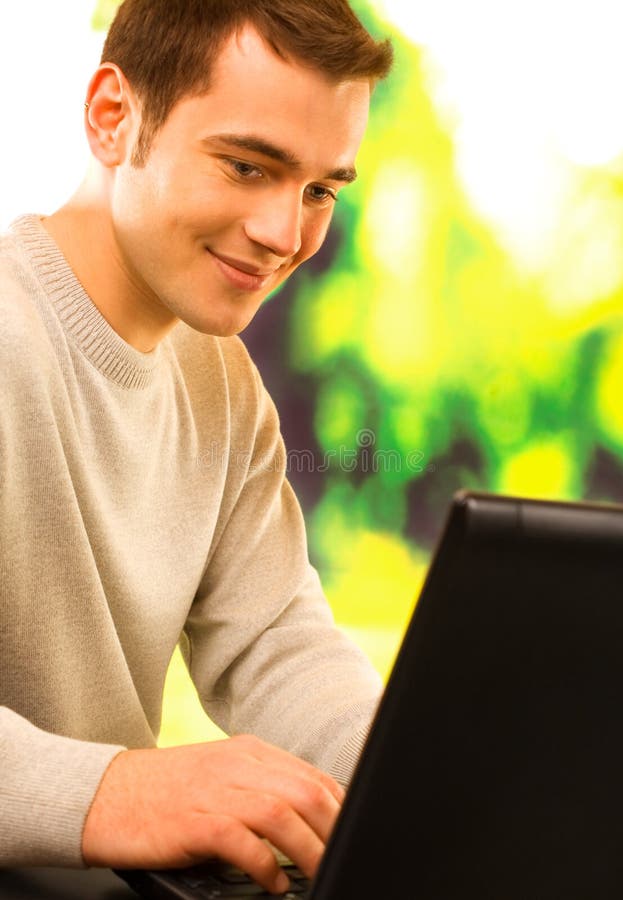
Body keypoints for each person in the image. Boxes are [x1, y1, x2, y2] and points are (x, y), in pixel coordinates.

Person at [0, 0, 392, 894]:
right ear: (113, 118)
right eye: (248, 165)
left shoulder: (221, 384)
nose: (286, 234)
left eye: (321, 189)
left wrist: (418, 787)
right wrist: (116, 791)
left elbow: (276, 646)